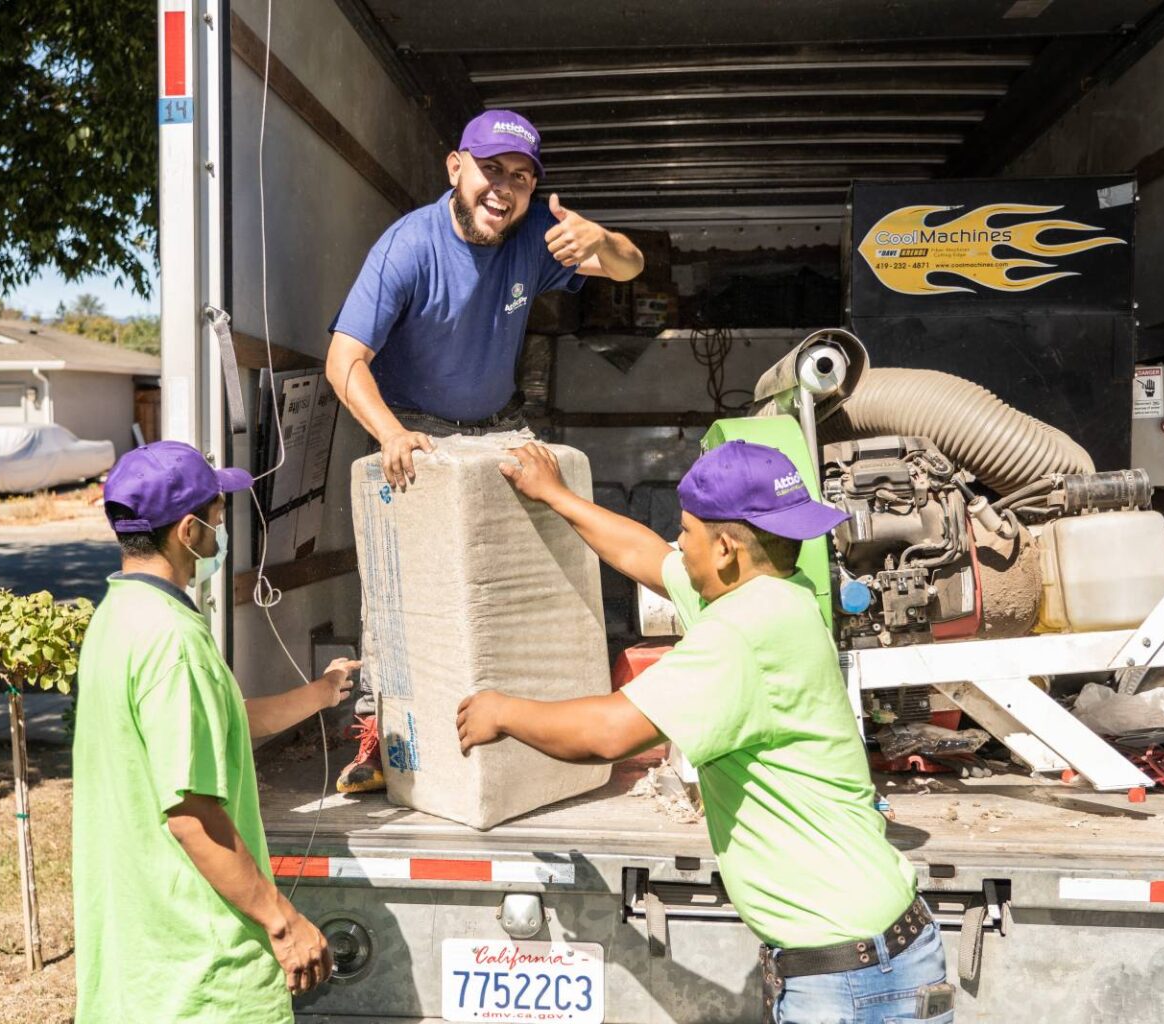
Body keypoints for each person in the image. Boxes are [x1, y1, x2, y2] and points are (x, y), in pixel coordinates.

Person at [456, 441, 952, 1024]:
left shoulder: (743, 633)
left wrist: (503, 711)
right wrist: (558, 497)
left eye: (685, 531)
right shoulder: (780, 592)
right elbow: (645, 556)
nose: (677, 544)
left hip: (853, 983)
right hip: (866, 959)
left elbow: (608, 734)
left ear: (724, 549)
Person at [325, 108, 646, 793]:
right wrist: (389, 433)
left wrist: (605, 240)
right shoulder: (406, 247)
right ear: (455, 168)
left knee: (552, 554)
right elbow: (344, 359)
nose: (503, 189)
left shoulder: (536, 233)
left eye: (521, 178)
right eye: (490, 171)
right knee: (400, 584)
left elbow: (630, 267)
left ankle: (561, 722)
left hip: (501, 425)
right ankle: (383, 733)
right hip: (413, 427)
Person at [72, 441, 357, 1023]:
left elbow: (216, 725)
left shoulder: (118, 619)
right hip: (199, 973)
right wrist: (282, 920)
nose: (222, 532)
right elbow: (192, 815)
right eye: (219, 519)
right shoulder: (175, 644)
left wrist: (324, 692)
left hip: (142, 962)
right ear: (188, 531)